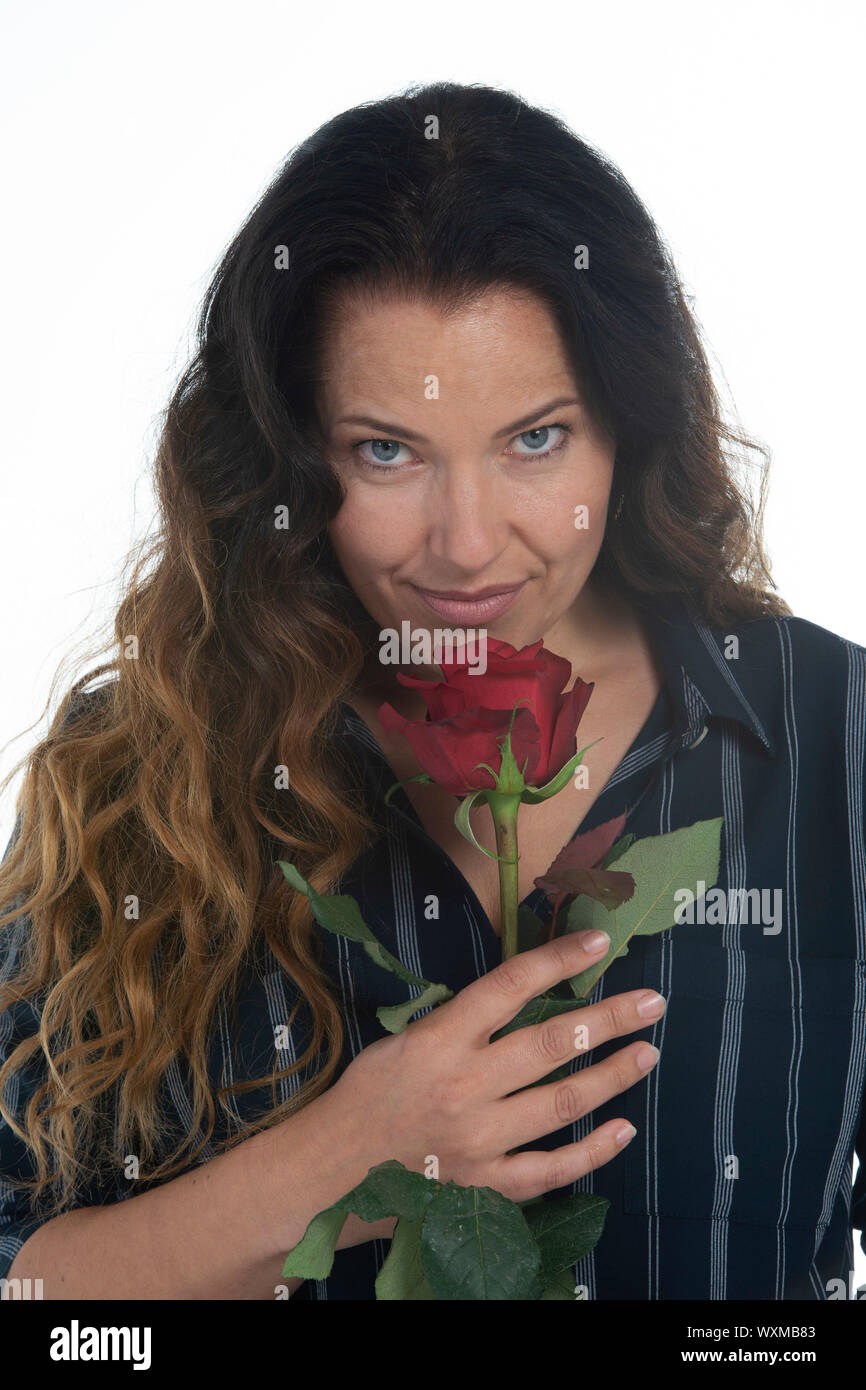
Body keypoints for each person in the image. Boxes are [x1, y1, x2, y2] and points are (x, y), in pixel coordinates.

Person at [1, 81, 864, 1303]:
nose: (465, 545)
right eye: (385, 451)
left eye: (533, 439)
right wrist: (346, 1157)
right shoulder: (143, 766)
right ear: (289, 457)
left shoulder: (838, 736)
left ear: (628, 424)